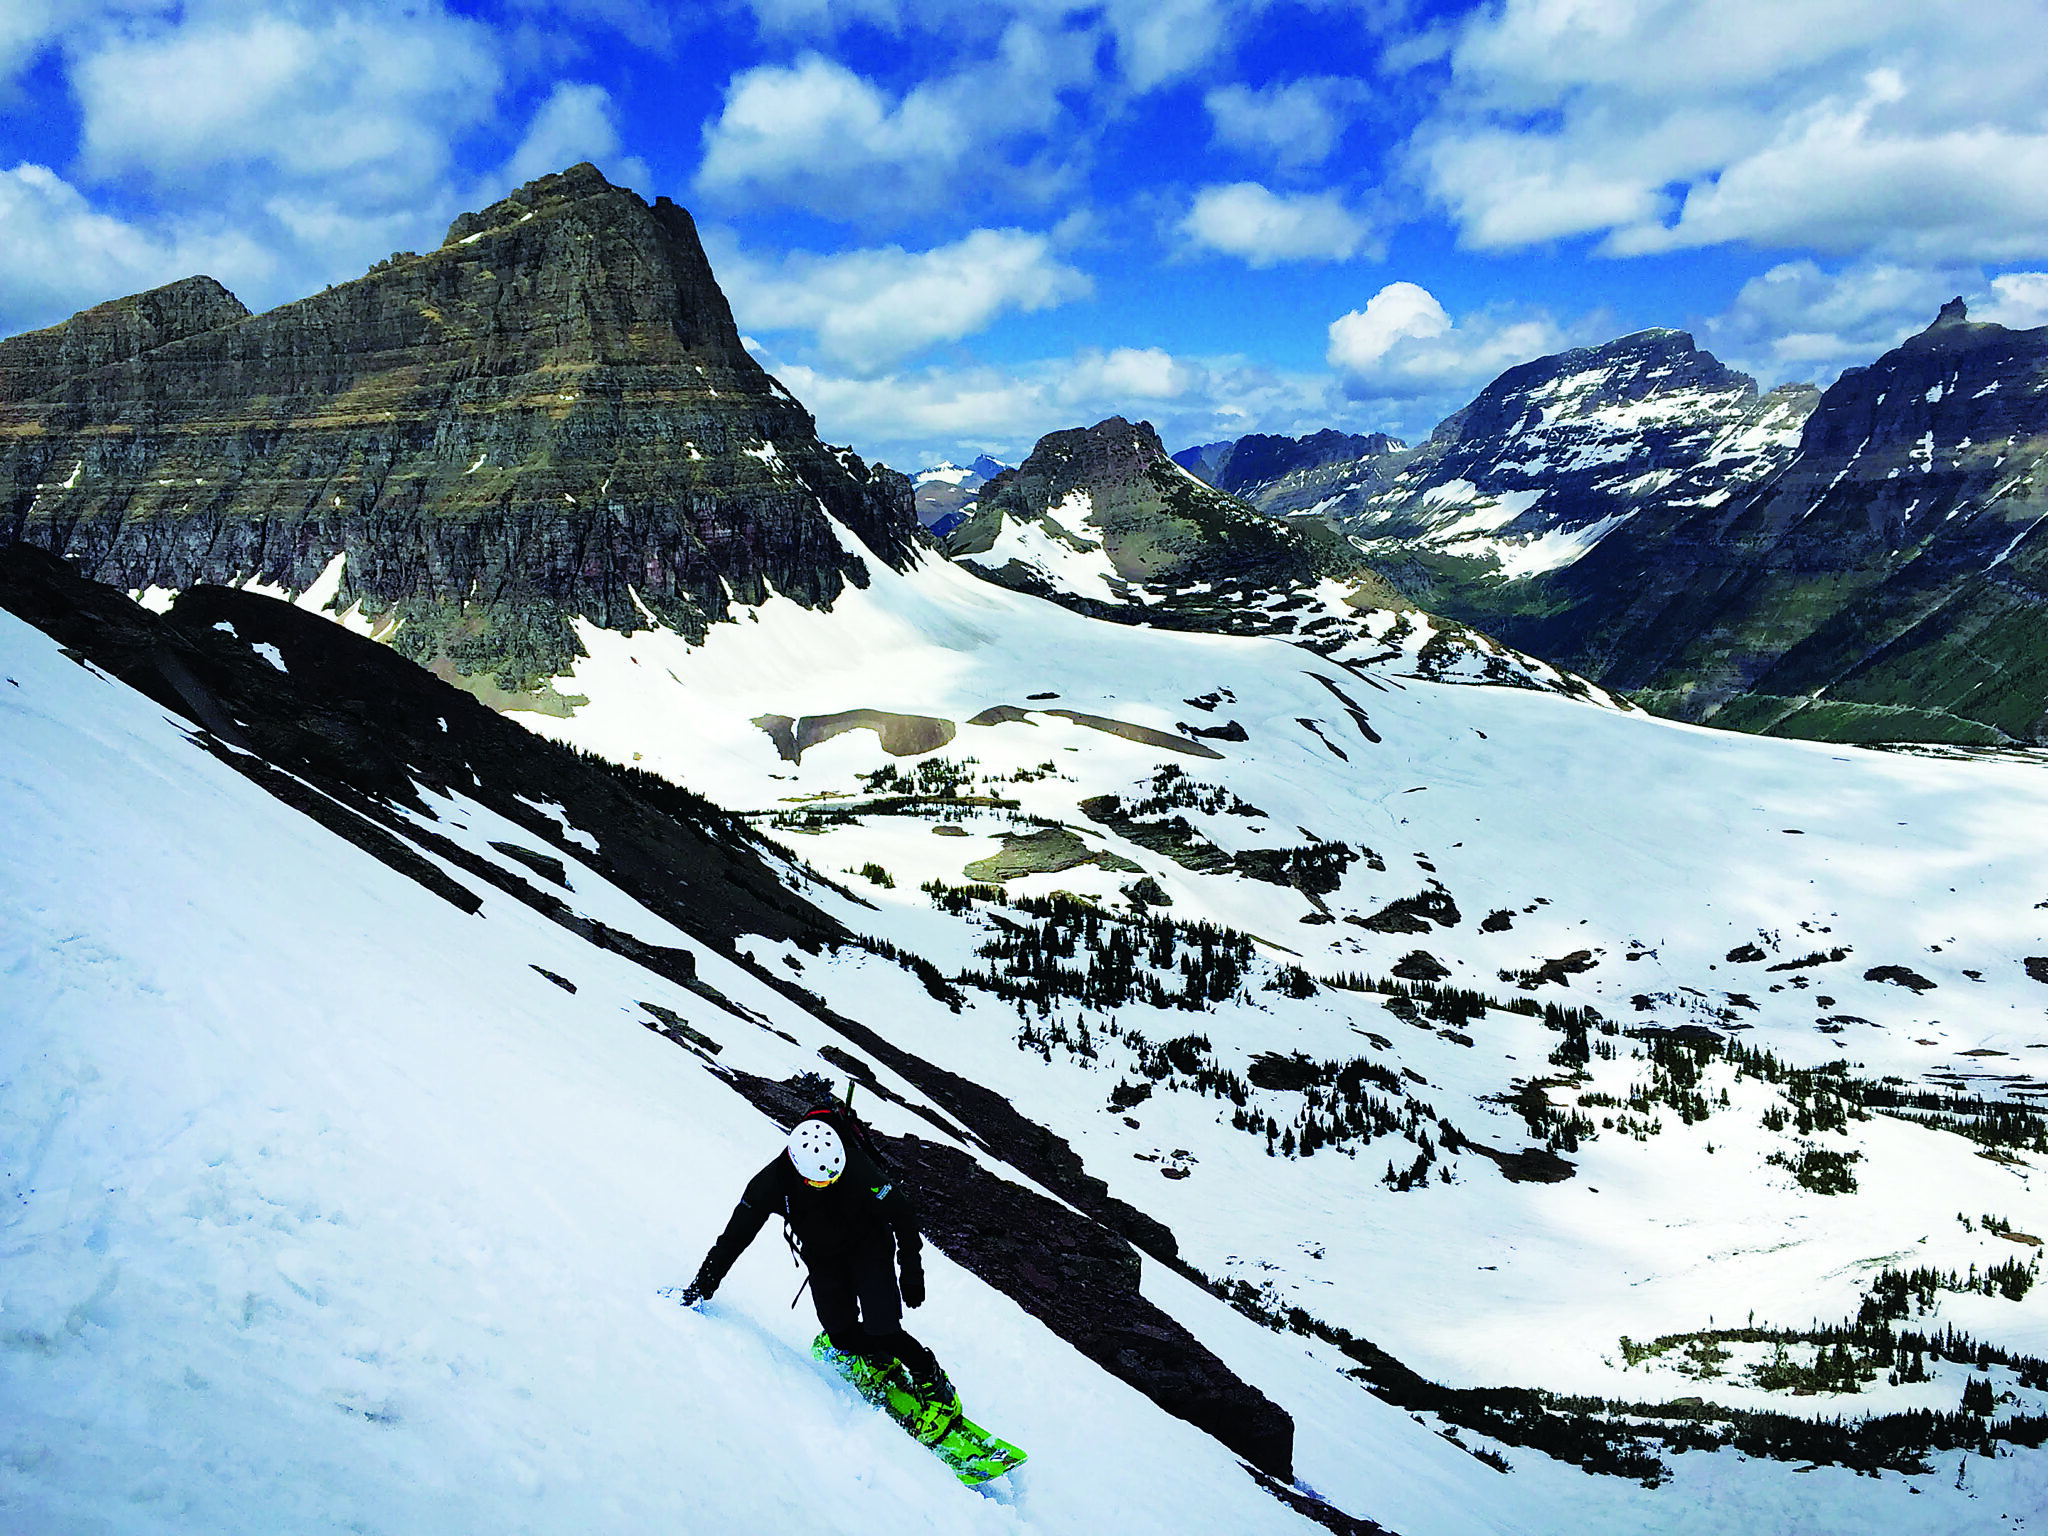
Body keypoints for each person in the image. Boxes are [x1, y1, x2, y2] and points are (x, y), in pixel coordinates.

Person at [680, 1105, 960, 1440]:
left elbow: (900, 1213)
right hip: (824, 1254)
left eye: (834, 1177)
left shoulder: (854, 1166)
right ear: (799, 1170)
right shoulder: (768, 1185)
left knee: (883, 1327)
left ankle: (936, 1386)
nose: (829, 1183)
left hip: (869, 1245)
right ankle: (878, 1359)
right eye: (820, 1180)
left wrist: (912, 1271)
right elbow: (734, 1239)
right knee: (839, 1333)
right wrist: (703, 1284)